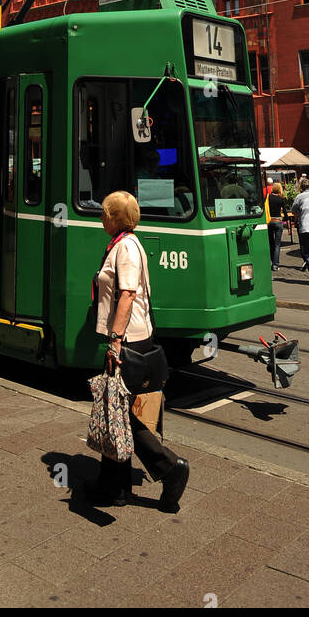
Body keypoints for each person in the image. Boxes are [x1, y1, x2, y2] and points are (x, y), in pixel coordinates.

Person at [90, 191, 189, 511]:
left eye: (105, 213)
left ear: (116, 217)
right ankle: (114, 488)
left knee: (123, 416)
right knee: (126, 413)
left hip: (130, 342)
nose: (102, 218)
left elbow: (127, 295)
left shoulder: (126, 248)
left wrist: (115, 340)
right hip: (137, 339)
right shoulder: (123, 244)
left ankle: (170, 468)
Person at [266, 182, 289, 272]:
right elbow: (286, 213)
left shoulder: (268, 198)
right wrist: (285, 220)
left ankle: (272, 261)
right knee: (277, 244)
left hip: (269, 221)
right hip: (278, 222)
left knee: (271, 243)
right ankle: (275, 265)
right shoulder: (281, 199)